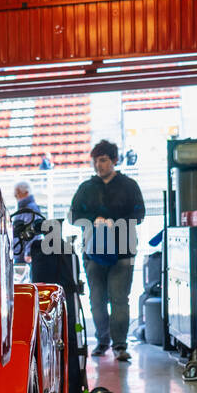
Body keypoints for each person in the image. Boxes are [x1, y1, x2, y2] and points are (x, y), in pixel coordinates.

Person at [70, 139, 145, 361]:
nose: (98, 165)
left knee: (120, 299)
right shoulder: (86, 188)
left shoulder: (129, 186)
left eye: (103, 160)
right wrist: (95, 219)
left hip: (123, 252)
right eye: (95, 161)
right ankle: (102, 341)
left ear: (114, 160)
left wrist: (115, 221)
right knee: (96, 300)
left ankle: (120, 345)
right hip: (93, 253)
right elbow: (73, 215)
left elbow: (139, 214)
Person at [10, 181, 43, 265]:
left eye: (18, 193)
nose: (15, 196)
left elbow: (33, 231)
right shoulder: (25, 209)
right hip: (21, 253)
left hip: (24, 256)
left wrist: (29, 253)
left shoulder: (29, 209)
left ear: (26, 192)